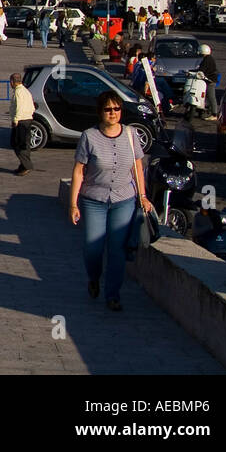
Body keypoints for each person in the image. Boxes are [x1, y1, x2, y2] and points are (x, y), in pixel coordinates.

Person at [69, 90, 156, 311]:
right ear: (100, 112)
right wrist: (73, 203)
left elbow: (138, 166)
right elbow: (79, 171)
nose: (113, 113)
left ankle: (113, 295)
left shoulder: (130, 134)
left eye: (117, 109)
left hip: (123, 198)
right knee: (93, 248)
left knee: (117, 249)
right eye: (108, 109)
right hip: (94, 198)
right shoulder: (89, 136)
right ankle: (94, 277)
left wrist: (143, 196)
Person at [9, 72, 36, 175]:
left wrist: (15, 120)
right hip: (28, 119)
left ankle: (26, 166)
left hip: (21, 121)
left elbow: (19, 107)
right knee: (24, 144)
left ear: (12, 82)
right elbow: (32, 106)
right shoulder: (25, 91)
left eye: (10, 82)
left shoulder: (18, 92)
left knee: (18, 144)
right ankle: (22, 165)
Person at [199, 44, 219, 120]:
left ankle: (214, 114)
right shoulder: (209, 58)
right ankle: (210, 111)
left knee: (211, 97)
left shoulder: (206, 59)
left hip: (210, 80)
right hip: (211, 79)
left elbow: (201, 70)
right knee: (208, 96)